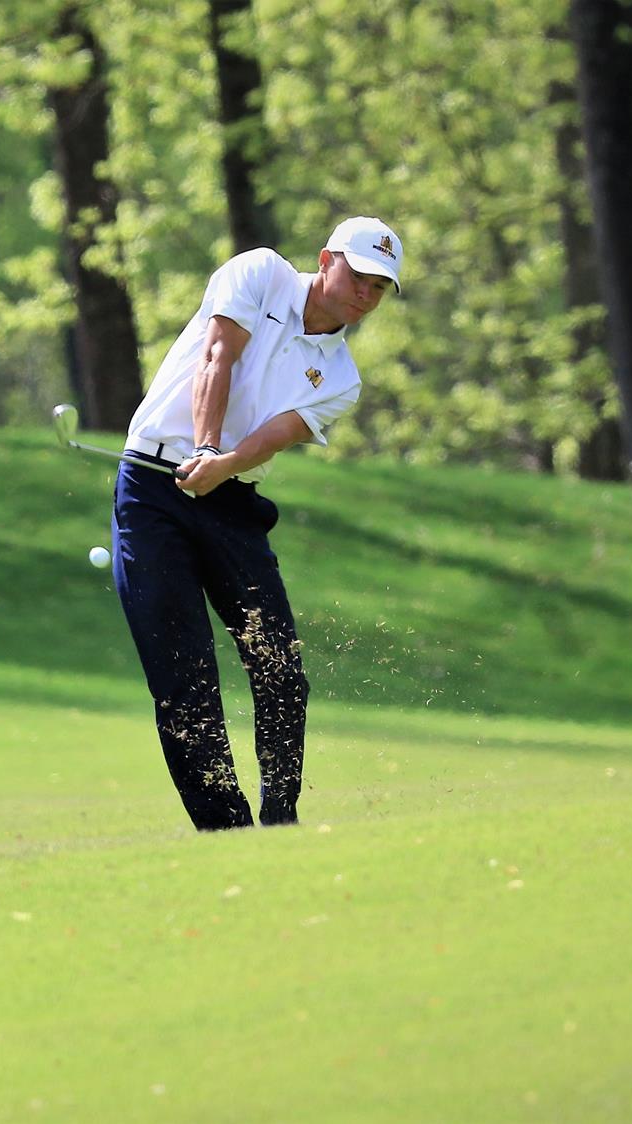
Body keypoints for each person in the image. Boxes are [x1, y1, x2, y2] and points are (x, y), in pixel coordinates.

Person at [110, 216, 402, 831]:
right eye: (360, 275)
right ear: (327, 261)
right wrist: (207, 446)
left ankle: (279, 820)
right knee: (182, 675)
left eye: (380, 287)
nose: (365, 294)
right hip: (152, 490)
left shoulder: (342, 378)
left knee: (278, 665)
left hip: (233, 502)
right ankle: (225, 830)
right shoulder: (260, 272)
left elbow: (276, 434)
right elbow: (218, 354)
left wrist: (222, 464)